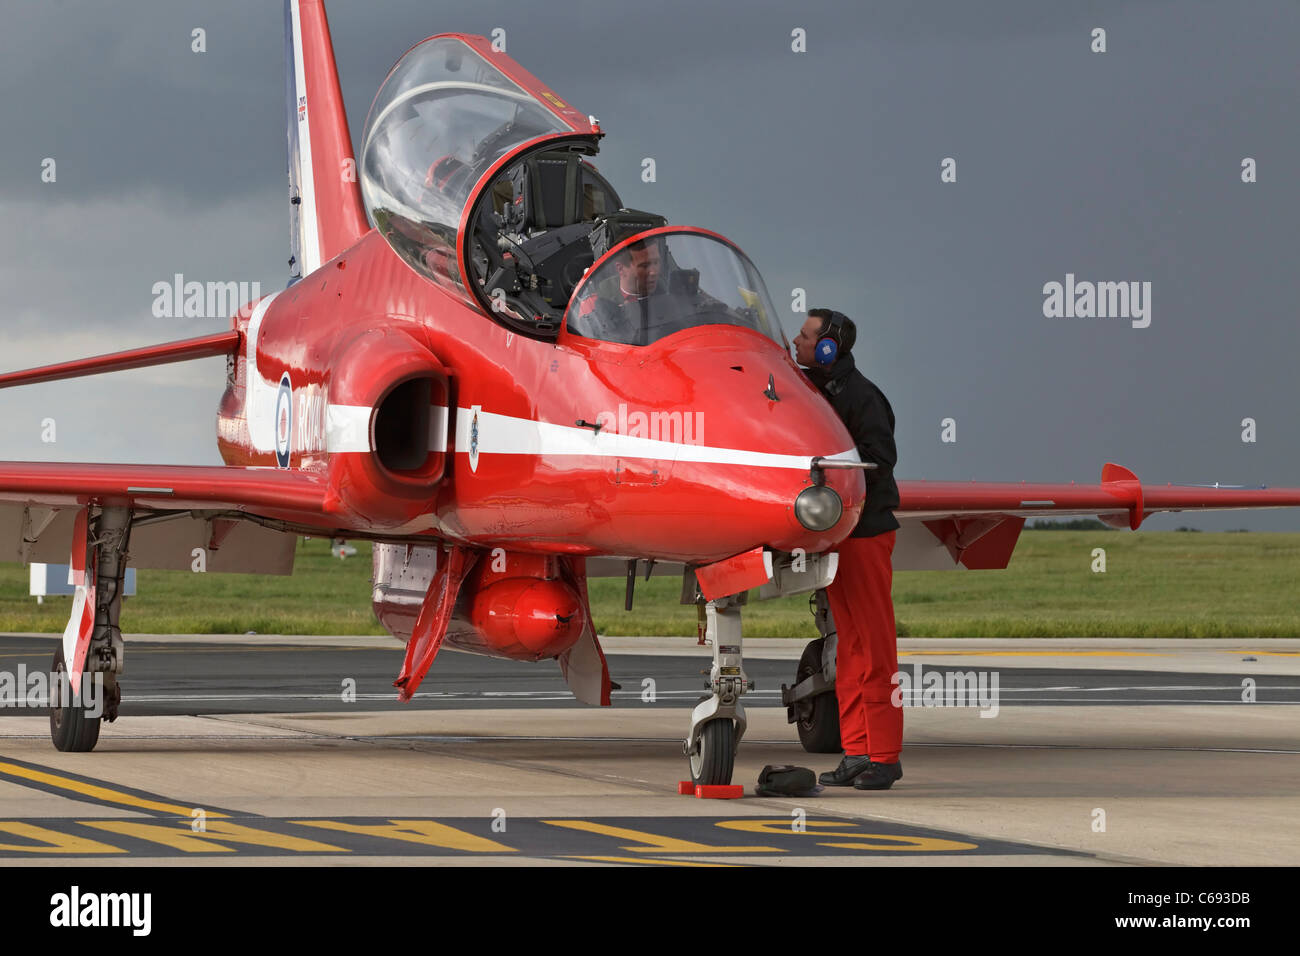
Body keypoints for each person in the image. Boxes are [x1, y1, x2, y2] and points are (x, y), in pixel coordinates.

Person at [792, 308, 903, 791]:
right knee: (851, 647)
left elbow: (880, 461)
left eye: (805, 334)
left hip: (866, 533)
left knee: (875, 647)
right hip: (838, 538)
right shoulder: (816, 393)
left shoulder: (862, 397)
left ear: (829, 347)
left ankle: (885, 756)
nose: (796, 341)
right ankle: (857, 752)